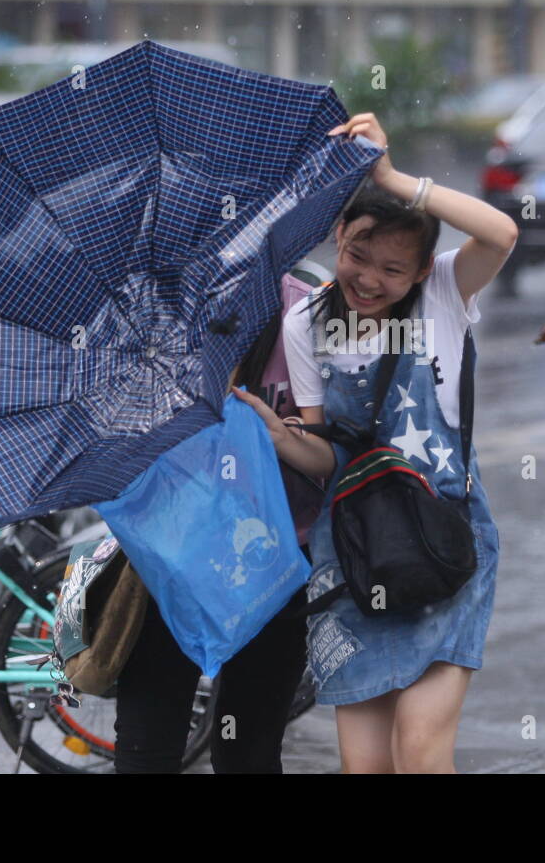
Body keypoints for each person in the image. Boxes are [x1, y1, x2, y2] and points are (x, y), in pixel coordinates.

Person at [233, 112, 518, 773]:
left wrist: (391, 177)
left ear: (421, 272)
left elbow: (501, 231)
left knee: (420, 749)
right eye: (358, 255)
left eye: (393, 268)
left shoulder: (445, 294)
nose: (367, 278)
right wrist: (279, 437)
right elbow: (326, 453)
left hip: (442, 538)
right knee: (365, 766)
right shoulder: (305, 320)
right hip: (355, 551)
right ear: (337, 236)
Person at [113, 269, 325, 774]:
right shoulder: (145, 314)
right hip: (166, 565)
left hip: (274, 567)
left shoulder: (312, 316)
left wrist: (281, 436)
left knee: (248, 751)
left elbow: (338, 444)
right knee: (146, 747)